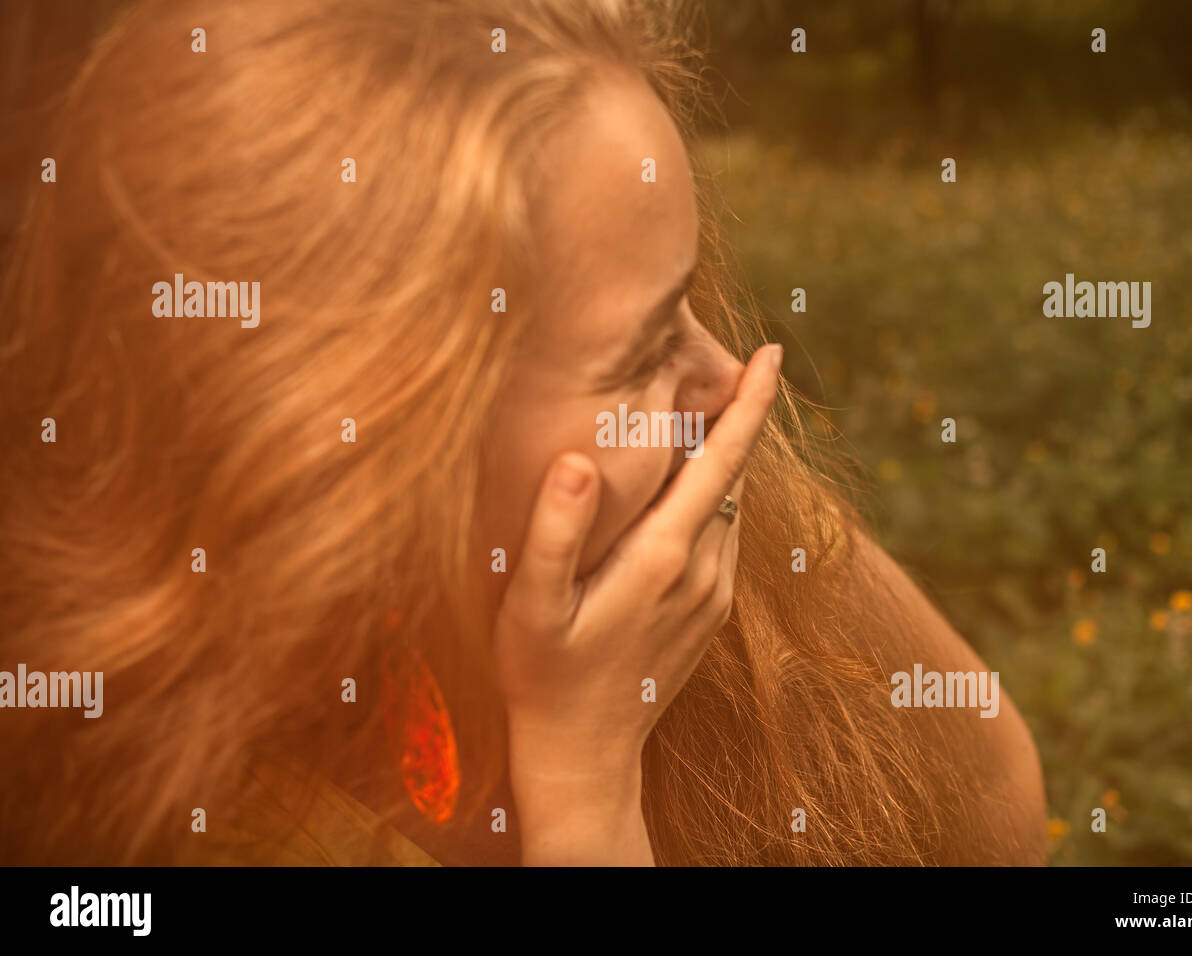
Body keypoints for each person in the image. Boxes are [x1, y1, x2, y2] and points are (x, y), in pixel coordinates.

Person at [0, 0, 1046, 866]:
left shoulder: (674, 541)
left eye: (692, 298)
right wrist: (587, 799)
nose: (731, 383)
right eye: (640, 351)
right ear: (369, 456)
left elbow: (994, 803)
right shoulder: (174, 825)